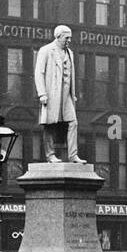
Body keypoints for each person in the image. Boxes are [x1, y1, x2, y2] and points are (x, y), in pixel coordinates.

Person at [35, 25, 87, 163]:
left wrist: (73, 93)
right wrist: (42, 94)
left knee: (73, 123)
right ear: (58, 36)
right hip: (51, 93)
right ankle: (50, 155)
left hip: (66, 95)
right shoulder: (46, 50)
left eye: (70, 37)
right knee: (50, 124)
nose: (69, 40)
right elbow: (39, 73)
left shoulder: (70, 52)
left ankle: (73, 155)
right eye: (66, 37)